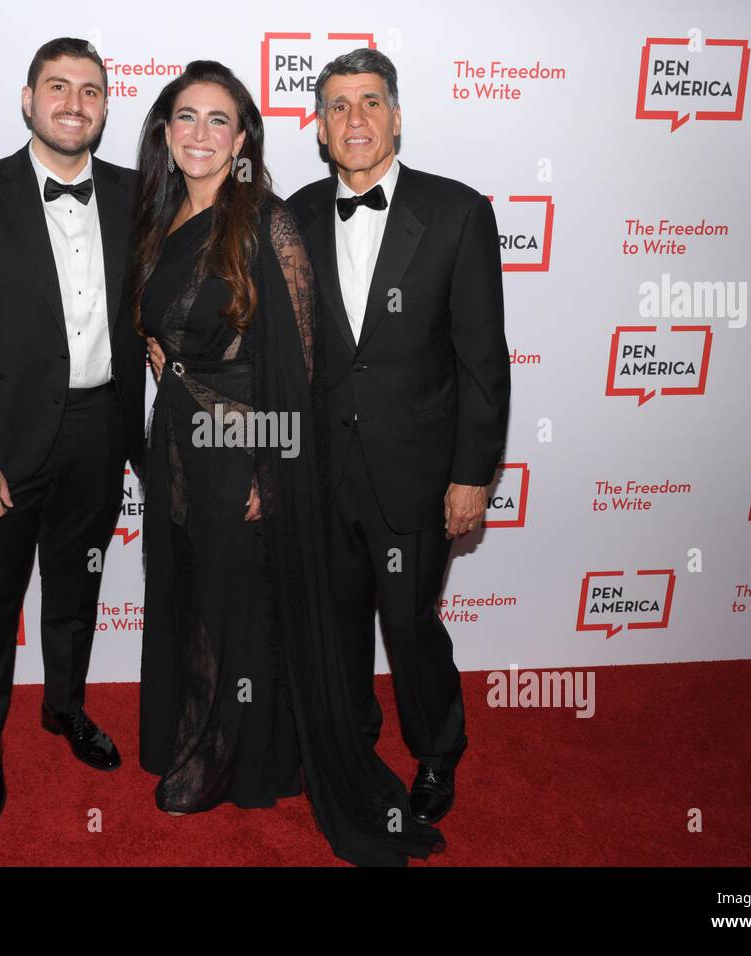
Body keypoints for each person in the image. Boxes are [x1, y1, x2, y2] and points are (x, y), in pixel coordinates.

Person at [135, 60, 444, 865]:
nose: (201, 134)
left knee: (237, 609)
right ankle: (194, 733)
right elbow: (161, 323)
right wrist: (167, 362)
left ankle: (234, 759)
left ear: (244, 140)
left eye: (219, 121)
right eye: (187, 118)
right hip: (176, 444)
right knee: (194, 591)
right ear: (165, 133)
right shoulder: (159, 216)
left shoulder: (264, 221)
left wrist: (267, 468)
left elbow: (300, 363)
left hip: (242, 450)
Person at [287, 48, 510, 825]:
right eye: (339, 105)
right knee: (336, 626)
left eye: (371, 102)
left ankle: (439, 748)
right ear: (319, 127)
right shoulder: (296, 215)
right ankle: (349, 745)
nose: (356, 119)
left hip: (415, 472)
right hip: (319, 471)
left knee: (410, 628)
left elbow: (483, 360)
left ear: (398, 116)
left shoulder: (455, 212)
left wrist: (472, 475)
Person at [0, 37, 146, 823]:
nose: (74, 103)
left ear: (104, 107)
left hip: (100, 429)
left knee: (77, 585)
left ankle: (65, 706)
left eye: (90, 90)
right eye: (58, 87)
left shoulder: (132, 192)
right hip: (4, 440)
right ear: (28, 100)